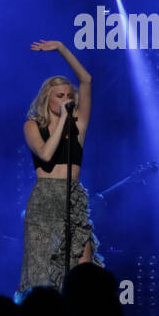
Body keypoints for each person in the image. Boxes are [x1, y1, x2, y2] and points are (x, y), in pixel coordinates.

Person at [18, 40, 105, 297]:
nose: (67, 100)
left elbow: (86, 80)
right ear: (47, 98)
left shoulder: (79, 122)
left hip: (73, 198)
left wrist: (62, 48)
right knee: (43, 274)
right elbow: (45, 153)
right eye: (60, 96)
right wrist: (63, 121)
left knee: (83, 270)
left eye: (69, 96)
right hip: (45, 199)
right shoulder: (32, 125)